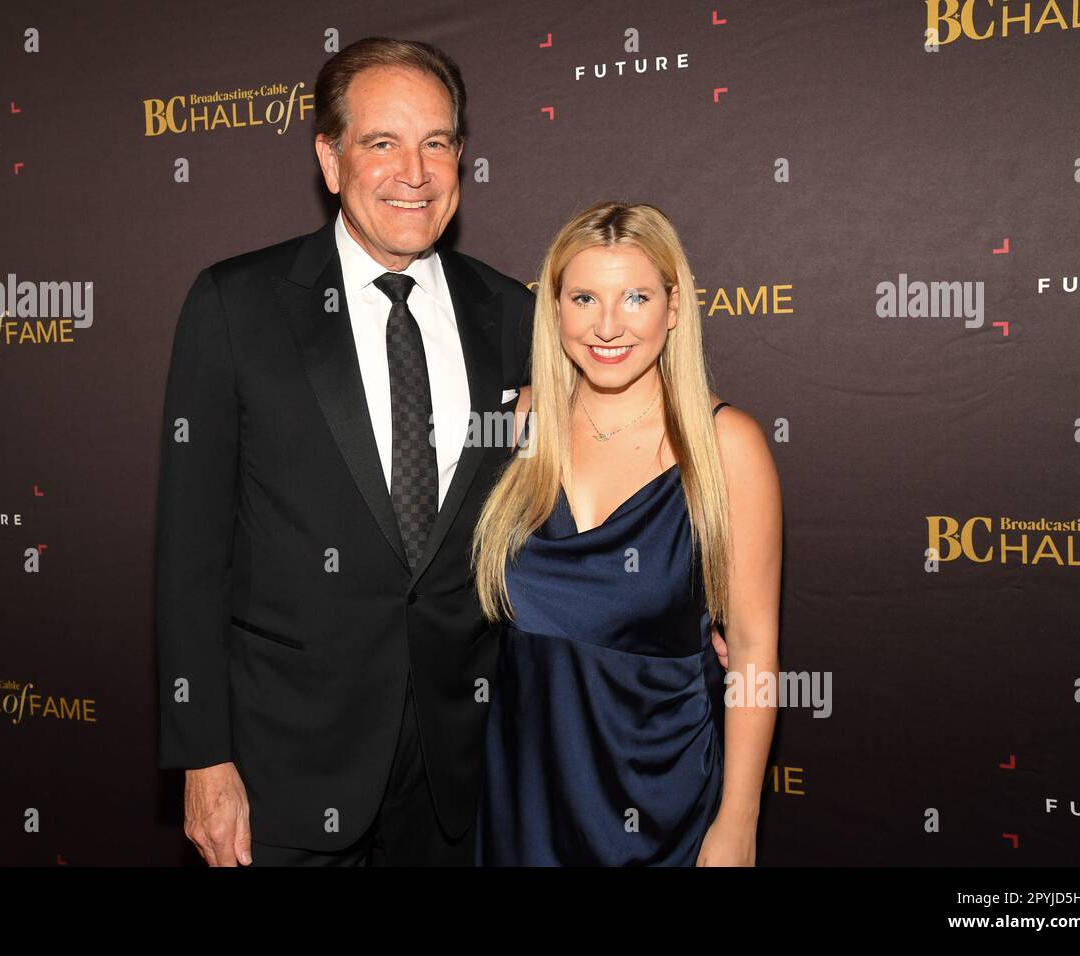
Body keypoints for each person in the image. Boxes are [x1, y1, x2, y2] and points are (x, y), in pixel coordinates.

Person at [153, 36, 540, 865]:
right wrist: (203, 759)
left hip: (452, 772)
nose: (415, 171)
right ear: (330, 160)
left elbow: (572, 495)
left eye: (437, 142)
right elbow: (190, 555)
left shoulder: (512, 313)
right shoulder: (236, 305)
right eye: (382, 143)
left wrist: (685, 615)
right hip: (281, 766)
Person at [471, 201, 781, 866]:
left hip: (665, 801)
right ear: (554, 309)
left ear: (673, 307)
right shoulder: (509, 427)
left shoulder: (728, 446)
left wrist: (738, 823)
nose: (607, 325)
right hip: (522, 800)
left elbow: (753, 651)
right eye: (584, 297)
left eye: (635, 297)